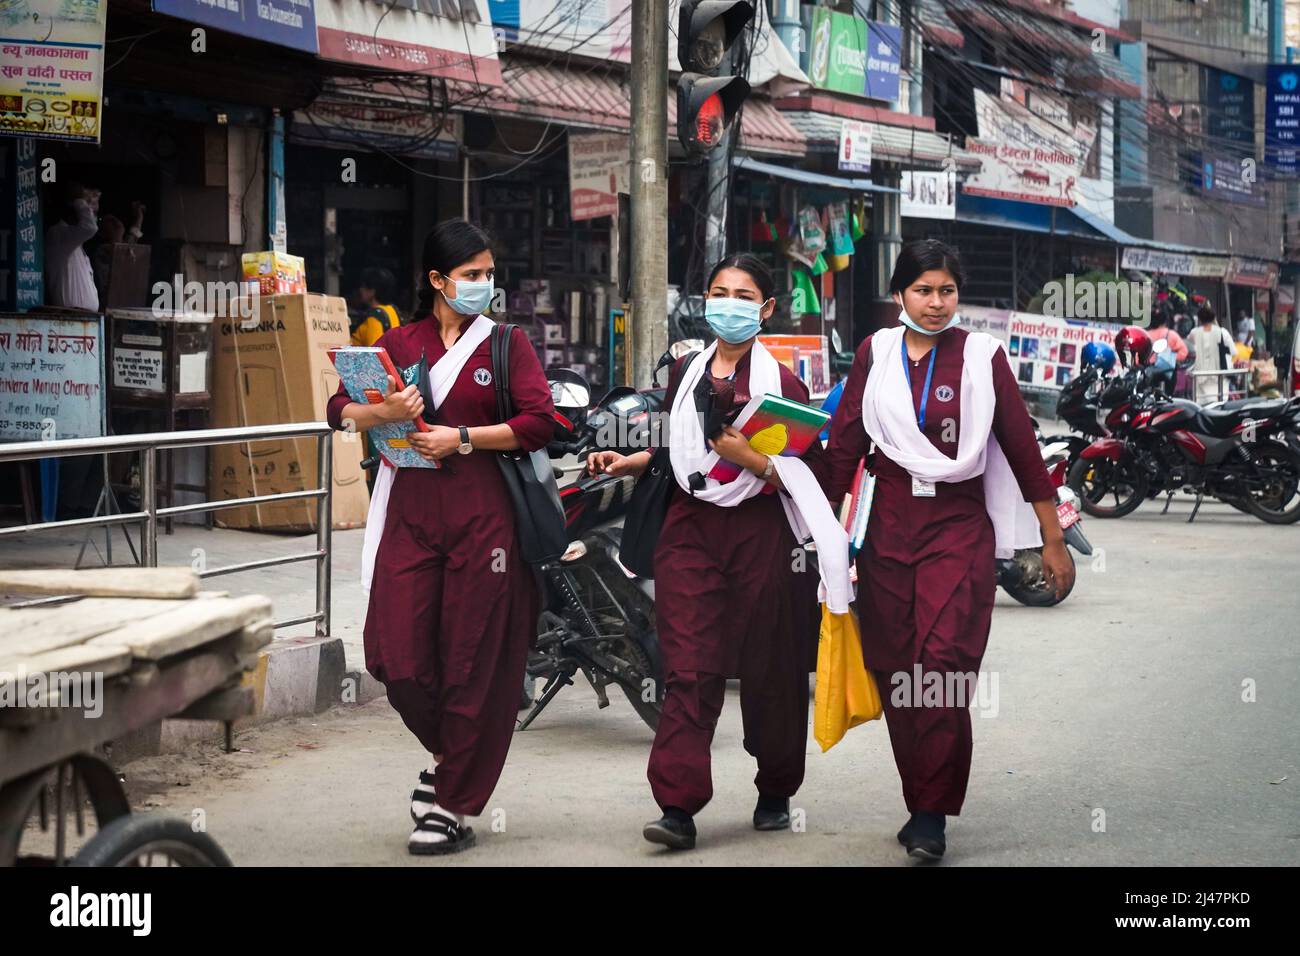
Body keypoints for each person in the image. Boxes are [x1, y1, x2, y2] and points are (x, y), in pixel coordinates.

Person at [586, 253, 851, 851]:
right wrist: (632, 458)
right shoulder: (687, 372)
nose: (727, 303)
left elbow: (811, 474)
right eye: (718, 291)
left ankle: (776, 786)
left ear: (765, 309)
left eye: (742, 294)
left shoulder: (784, 386)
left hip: (762, 534)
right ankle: (678, 804)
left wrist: (751, 460)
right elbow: (681, 447)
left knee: (772, 668)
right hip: (689, 530)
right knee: (689, 666)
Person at [821, 239, 1073, 862]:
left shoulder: (984, 357)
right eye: (923, 290)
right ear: (900, 294)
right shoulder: (874, 354)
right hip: (888, 524)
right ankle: (920, 798)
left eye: (947, 291)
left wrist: (1053, 539)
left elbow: (1021, 450)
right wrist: (816, 533)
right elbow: (845, 447)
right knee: (896, 667)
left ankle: (932, 813)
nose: (936, 304)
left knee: (942, 666)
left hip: (958, 526)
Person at [324, 219, 554, 855]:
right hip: (410, 510)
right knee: (394, 657)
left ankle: (450, 802)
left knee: (472, 661)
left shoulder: (508, 345)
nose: (483, 284)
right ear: (436, 280)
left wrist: (466, 437)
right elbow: (338, 410)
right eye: (471, 274)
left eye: (488, 274)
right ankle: (455, 756)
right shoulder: (398, 341)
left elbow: (540, 422)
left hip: (485, 519)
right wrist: (382, 414)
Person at [45, 183, 100, 311]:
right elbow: (90, 227)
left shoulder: (74, 244)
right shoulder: (58, 235)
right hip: (69, 316)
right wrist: (80, 199)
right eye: (88, 210)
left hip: (81, 317)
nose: (92, 215)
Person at [1187, 305, 1236, 404]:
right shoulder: (1222, 332)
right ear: (1214, 317)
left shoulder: (1194, 332)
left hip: (1201, 375)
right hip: (1219, 374)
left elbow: (1190, 345)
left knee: (1202, 404)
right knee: (1219, 402)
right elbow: (1233, 351)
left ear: (1199, 319)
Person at [350, 266, 401, 347]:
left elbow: (373, 356)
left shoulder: (374, 319)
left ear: (372, 292)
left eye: (364, 287)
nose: (360, 289)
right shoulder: (392, 310)